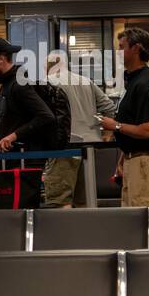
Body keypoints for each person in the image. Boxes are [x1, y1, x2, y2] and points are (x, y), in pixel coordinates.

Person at [99, 28, 149, 207]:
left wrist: (115, 126)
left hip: (145, 164)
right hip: (135, 161)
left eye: (122, 47)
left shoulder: (145, 84)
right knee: (133, 219)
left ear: (136, 49)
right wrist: (124, 157)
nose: (118, 52)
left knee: (145, 218)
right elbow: (134, 123)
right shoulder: (135, 81)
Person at [42, 52, 116, 207]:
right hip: (90, 147)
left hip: (66, 148)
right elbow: (109, 107)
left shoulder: (47, 82)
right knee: (84, 199)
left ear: (48, 67)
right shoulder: (85, 81)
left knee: (59, 199)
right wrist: (107, 134)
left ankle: (64, 231)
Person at [0, 37, 56, 153]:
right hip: (15, 159)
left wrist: (12, 137)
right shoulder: (7, 84)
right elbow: (14, 122)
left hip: (26, 161)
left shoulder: (19, 84)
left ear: (1, 59)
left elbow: (46, 116)